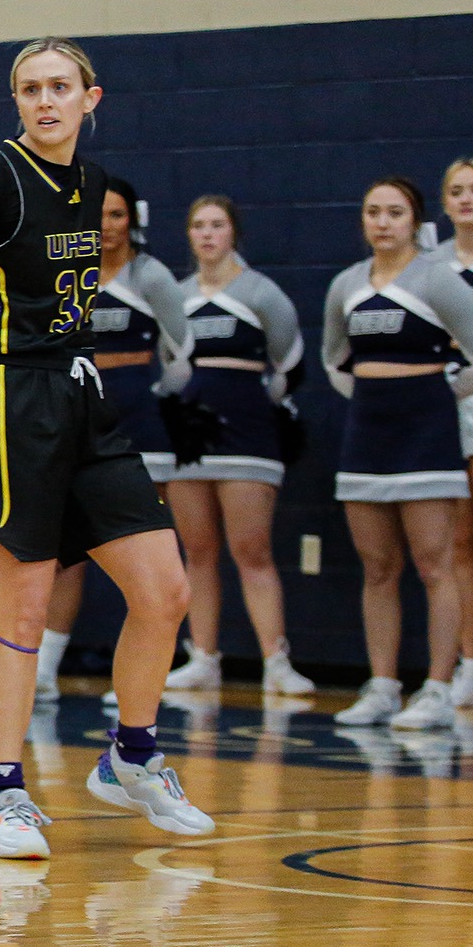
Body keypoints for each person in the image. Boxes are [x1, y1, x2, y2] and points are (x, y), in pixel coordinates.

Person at [0, 37, 211, 860]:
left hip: (82, 395)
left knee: (165, 588)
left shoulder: (93, 184)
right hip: (3, 398)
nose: (45, 100)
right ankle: (4, 794)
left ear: (90, 97)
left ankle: (133, 755)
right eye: (30, 88)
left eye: (59, 86)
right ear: (16, 102)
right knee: (24, 609)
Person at [325, 177, 473, 729]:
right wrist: (375, 396)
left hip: (428, 432)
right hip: (367, 431)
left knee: (435, 564)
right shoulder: (346, 284)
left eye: (394, 212)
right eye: (373, 212)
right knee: (377, 567)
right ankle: (384, 686)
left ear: (414, 221)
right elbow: (332, 360)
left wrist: (439, 393)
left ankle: (438, 688)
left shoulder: (438, 280)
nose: (383, 222)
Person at [32, 178, 192, 701]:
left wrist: (147, 393)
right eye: (99, 214)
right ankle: (44, 670)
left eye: (117, 215)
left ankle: (146, 670)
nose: (106, 225)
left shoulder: (154, 277)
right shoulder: (66, 274)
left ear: (133, 221)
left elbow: (181, 355)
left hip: (139, 426)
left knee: (150, 553)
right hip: (76, 421)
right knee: (63, 552)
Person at [154, 195, 315, 695]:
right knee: (196, 551)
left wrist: (252, 405)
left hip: (248, 438)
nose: (207, 235)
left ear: (233, 233)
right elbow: (162, 366)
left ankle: (276, 661)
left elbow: (291, 368)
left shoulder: (262, 294)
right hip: (188, 439)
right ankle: (202, 657)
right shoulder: (174, 297)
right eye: (198, 225)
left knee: (252, 549)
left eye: (217, 225)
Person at [432, 158, 473, 708]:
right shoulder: (430, 267)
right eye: (457, 191)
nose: (467, 199)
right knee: (461, 543)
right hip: (444, 410)